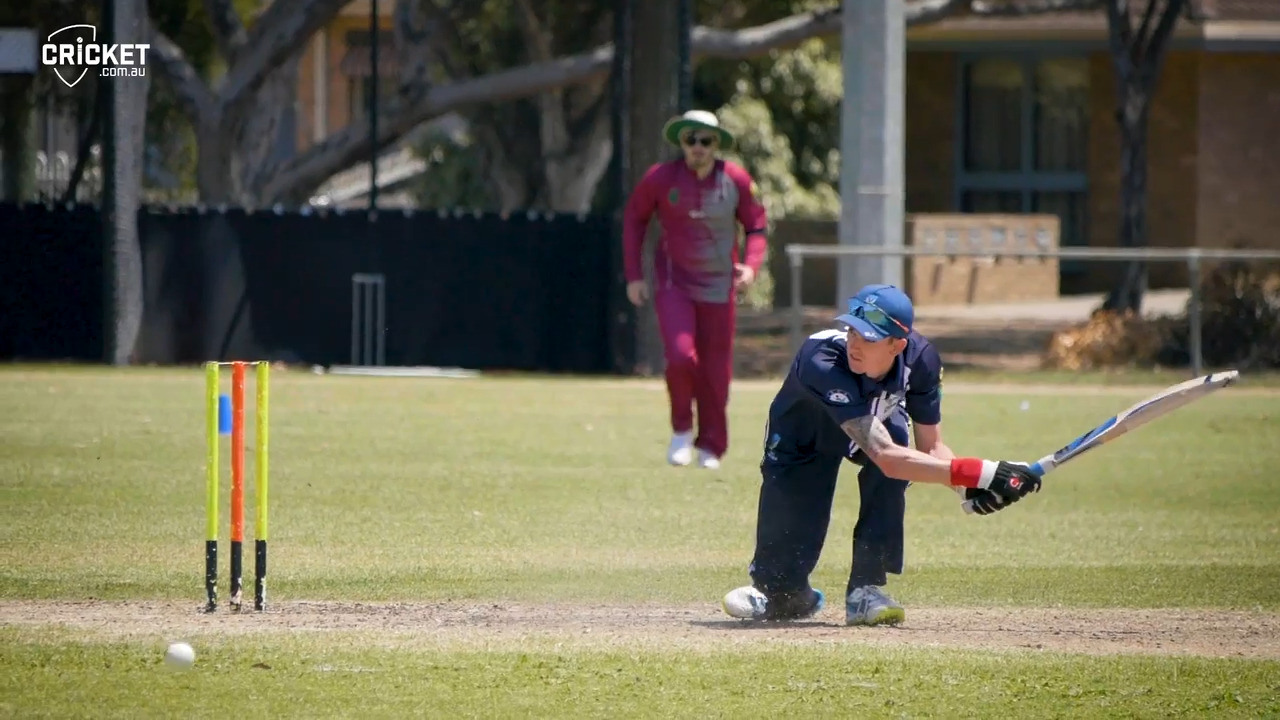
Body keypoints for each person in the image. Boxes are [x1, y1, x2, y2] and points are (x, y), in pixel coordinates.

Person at [720, 284, 1042, 625]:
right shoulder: (821, 359)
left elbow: (932, 447)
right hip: (803, 436)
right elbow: (886, 456)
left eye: (869, 338)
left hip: (876, 427)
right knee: (787, 579)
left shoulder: (922, 360)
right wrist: (986, 473)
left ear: (897, 345)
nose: (854, 344)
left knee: (897, 462)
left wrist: (968, 487)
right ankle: (781, 592)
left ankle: (865, 591)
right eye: (852, 331)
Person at [622, 109, 768, 470]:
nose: (697, 147)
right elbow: (634, 221)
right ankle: (681, 430)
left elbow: (756, 226)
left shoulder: (735, 179)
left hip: (719, 286)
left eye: (705, 140)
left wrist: (751, 266)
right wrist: (634, 275)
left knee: (716, 370)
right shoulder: (661, 178)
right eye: (690, 139)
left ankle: (711, 446)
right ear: (681, 143)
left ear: (716, 144)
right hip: (675, 283)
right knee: (681, 356)